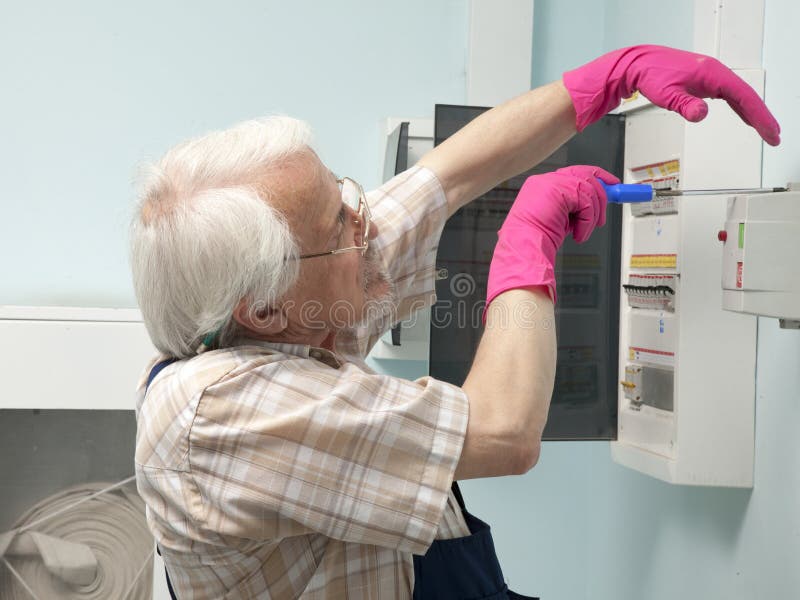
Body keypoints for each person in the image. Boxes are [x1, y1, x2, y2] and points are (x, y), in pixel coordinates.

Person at [131, 45, 780, 599]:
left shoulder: (291, 304)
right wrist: (528, 237)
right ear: (265, 307)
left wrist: (605, 79)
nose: (366, 222)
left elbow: (445, 178)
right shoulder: (215, 417)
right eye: (342, 224)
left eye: (347, 196)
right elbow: (503, 432)